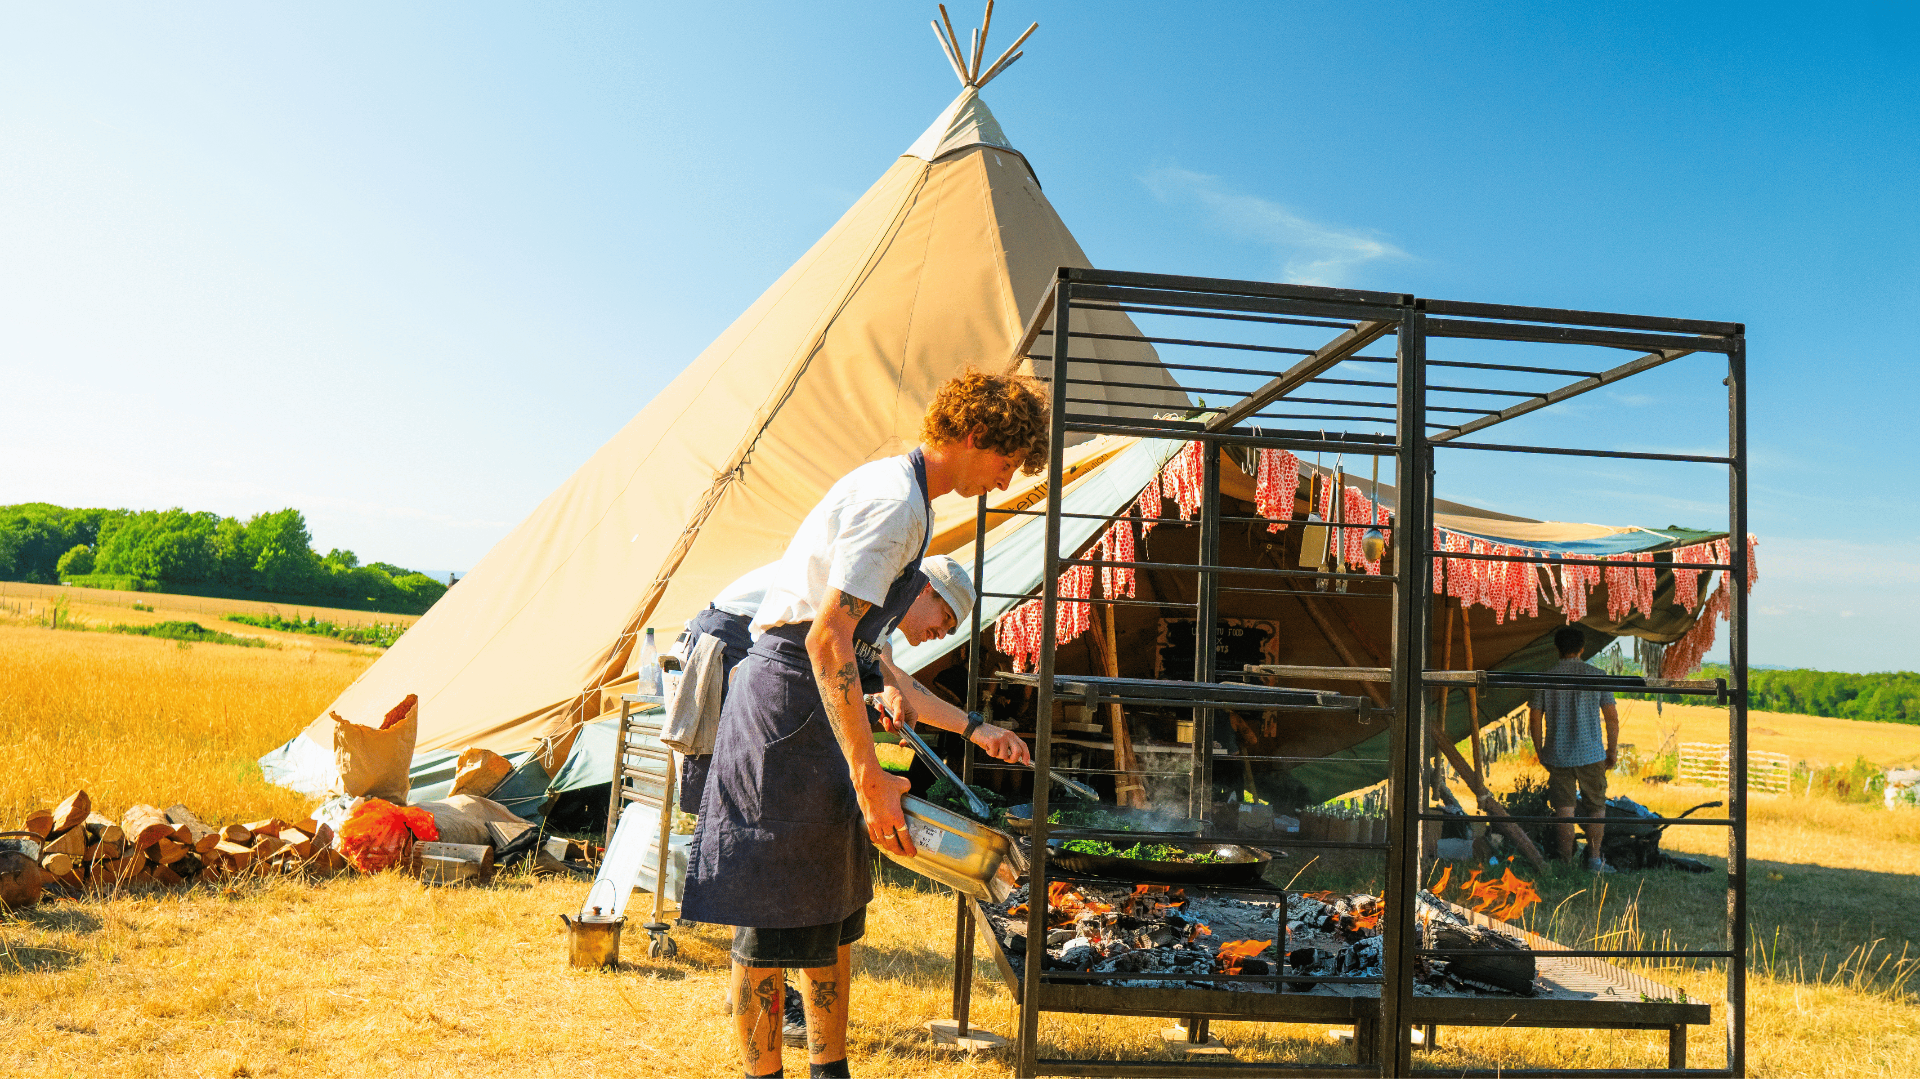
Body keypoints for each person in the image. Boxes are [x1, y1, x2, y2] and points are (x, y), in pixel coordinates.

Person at [682, 370, 1048, 1079]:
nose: (1004, 483)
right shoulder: (894, 503)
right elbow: (826, 640)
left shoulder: (911, 499)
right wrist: (869, 776)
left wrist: (948, 733)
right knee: (768, 920)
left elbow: (864, 654)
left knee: (833, 907)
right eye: (1004, 464)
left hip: (809, 704)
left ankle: (831, 1070)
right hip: (786, 706)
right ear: (975, 438)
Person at [1527, 625, 1621, 872]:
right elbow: (1611, 717)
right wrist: (1612, 750)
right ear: (1582, 648)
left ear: (1557, 648)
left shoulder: (1544, 678)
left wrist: (1540, 750)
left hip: (1557, 754)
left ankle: (1566, 862)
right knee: (1596, 808)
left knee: (1564, 810)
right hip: (1591, 753)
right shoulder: (1597, 675)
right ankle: (1593, 860)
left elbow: (1535, 719)